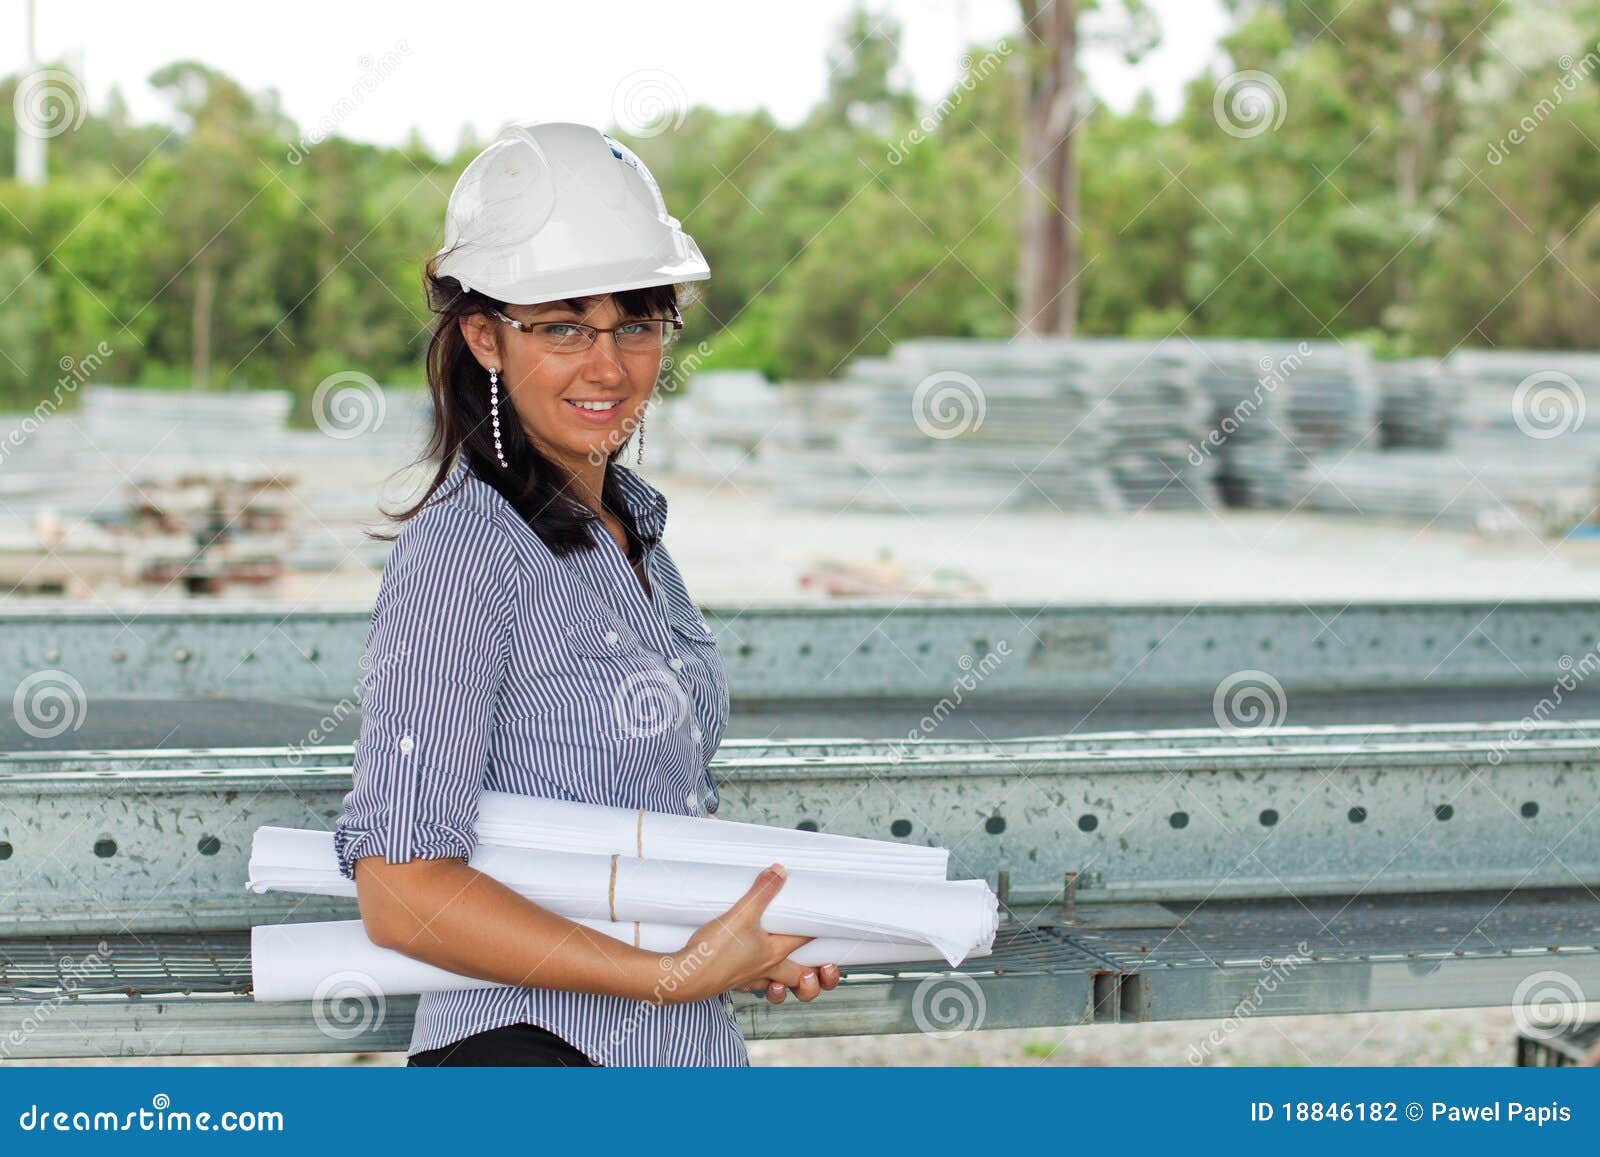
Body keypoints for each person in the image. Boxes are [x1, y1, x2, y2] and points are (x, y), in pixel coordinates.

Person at [332, 121, 840, 1067]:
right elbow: (401, 887)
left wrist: (740, 942)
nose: (608, 367)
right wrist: (669, 971)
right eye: (561, 326)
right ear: (485, 336)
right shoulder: (463, 553)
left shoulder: (631, 532)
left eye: (636, 323)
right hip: (530, 1057)